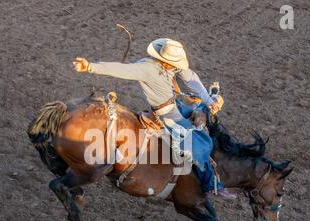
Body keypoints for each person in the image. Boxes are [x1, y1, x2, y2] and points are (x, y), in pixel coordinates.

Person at [73, 38, 236, 199]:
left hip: (175, 106)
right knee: (198, 144)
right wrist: (90, 66)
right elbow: (120, 69)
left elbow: (190, 77)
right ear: (165, 62)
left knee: (203, 111)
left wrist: (208, 100)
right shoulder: (145, 68)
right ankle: (210, 185)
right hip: (167, 115)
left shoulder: (169, 66)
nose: (177, 67)